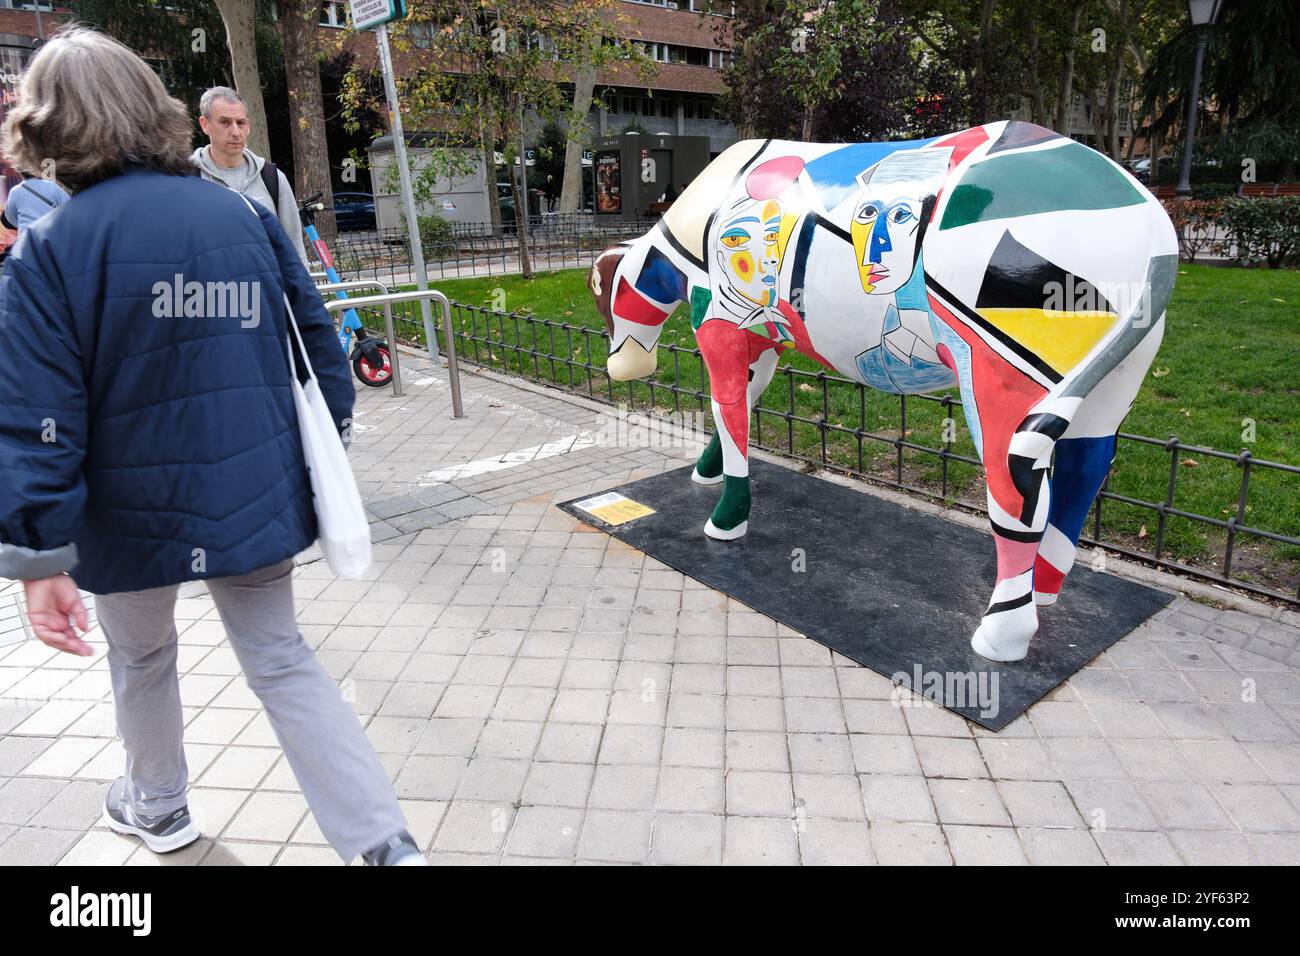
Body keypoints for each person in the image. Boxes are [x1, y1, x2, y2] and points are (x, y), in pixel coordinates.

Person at [0, 27, 424, 866]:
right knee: (279, 656)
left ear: (51, 127)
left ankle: (156, 806)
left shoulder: (52, 249)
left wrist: (37, 555)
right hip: (251, 485)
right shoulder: (237, 214)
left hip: (123, 513)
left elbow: (36, 414)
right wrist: (325, 447)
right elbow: (317, 342)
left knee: (142, 653)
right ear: (151, 111)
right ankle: (384, 848)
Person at [191, 85, 309, 267]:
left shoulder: (272, 179)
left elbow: (294, 247)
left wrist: (300, 292)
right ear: (205, 125)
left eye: (240, 122)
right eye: (225, 122)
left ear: (248, 126)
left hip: (268, 293)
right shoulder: (188, 180)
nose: (235, 132)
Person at [1, 171, 69, 232]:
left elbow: (10, 219)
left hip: (27, 238)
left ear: (21, 173)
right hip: (50, 235)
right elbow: (69, 210)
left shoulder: (15, 191)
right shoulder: (54, 187)